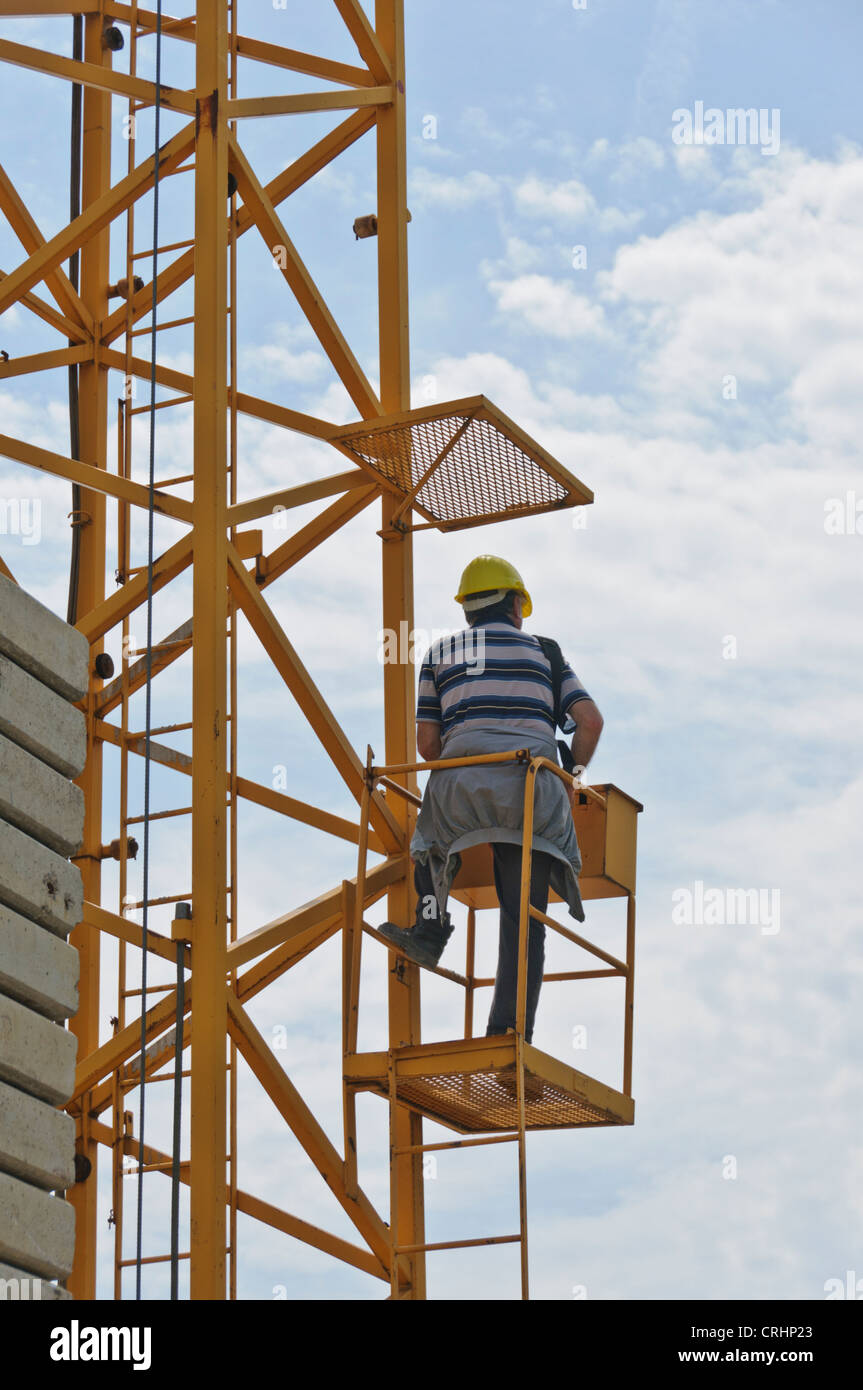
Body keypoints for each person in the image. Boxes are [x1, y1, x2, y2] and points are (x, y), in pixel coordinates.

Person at [378, 555, 604, 1044]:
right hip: (531, 789)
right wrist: (572, 777)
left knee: (430, 842)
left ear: (467, 611)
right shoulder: (546, 652)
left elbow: (427, 746)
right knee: (524, 917)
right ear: (517, 606)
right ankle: (509, 1030)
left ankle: (430, 929)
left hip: (462, 787)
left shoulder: (439, 653)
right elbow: (590, 722)